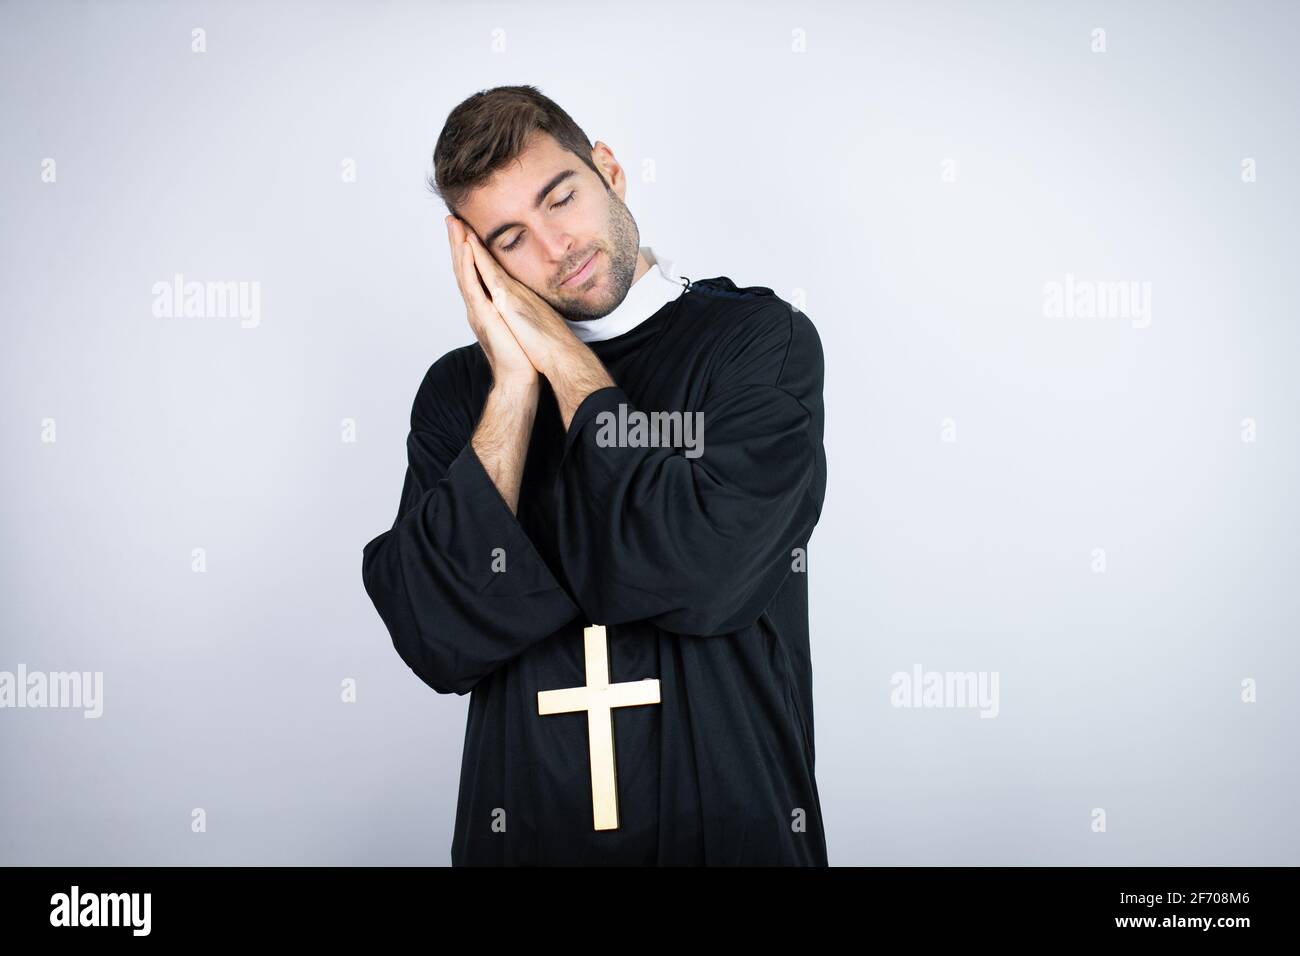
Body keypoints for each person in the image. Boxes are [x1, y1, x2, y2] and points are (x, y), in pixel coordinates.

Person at [361, 84, 828, 865]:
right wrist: (514, 385)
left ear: (608, 169)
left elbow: (704, 570)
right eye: (509, 237)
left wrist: (569, 364)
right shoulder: (459, 397)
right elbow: (435, 634)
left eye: (560, 197)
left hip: (732, 827)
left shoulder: (755, 342)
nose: (554, 246)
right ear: (476, 258)